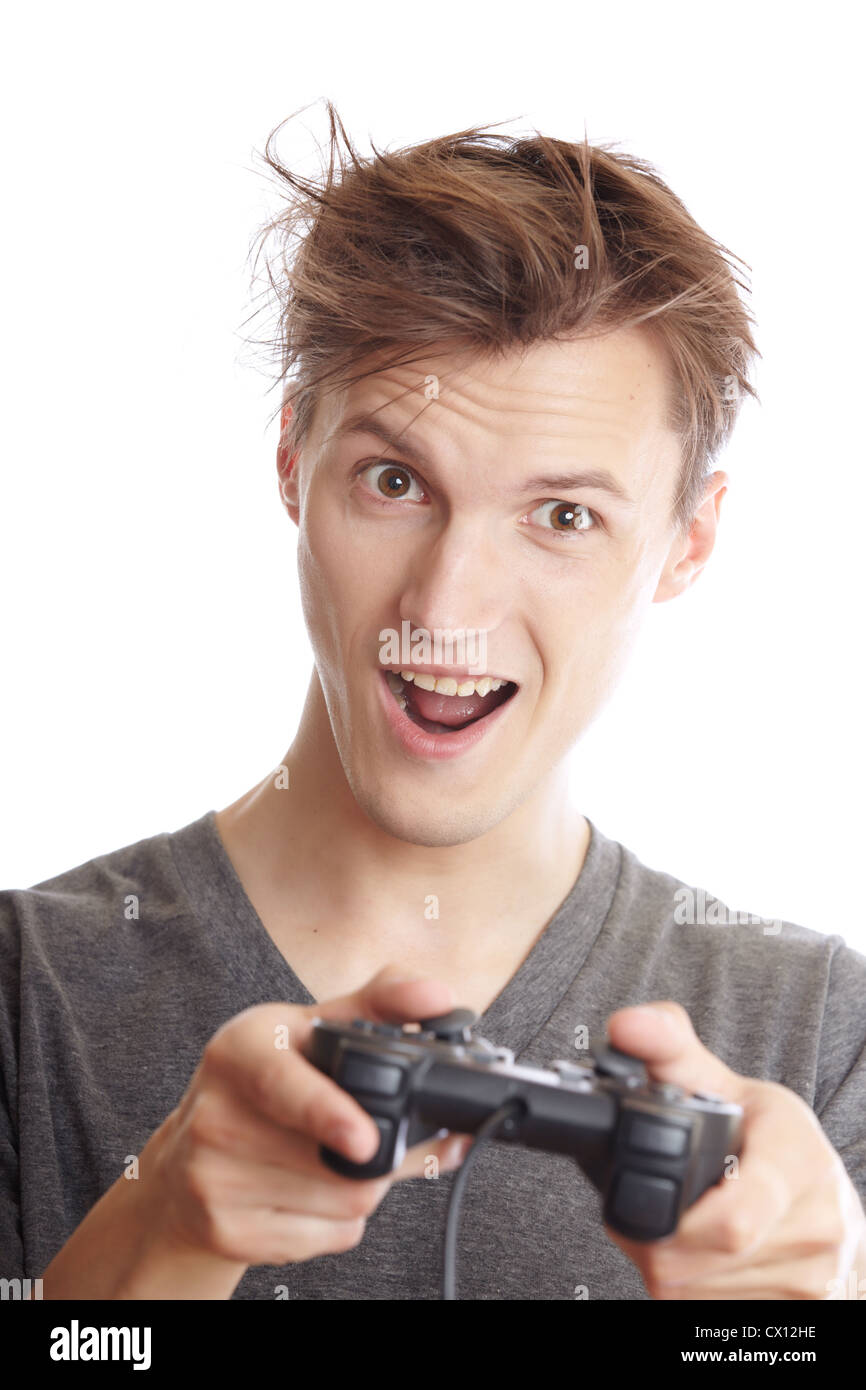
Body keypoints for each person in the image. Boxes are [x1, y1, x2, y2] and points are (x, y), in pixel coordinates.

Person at [2, 105, 864, 1302]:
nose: (445, 606)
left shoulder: (820, 1041)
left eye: (562, 516)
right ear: (293, 458)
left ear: (688, 540)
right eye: (395, 480)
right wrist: (155, 1237)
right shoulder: (21, 994)